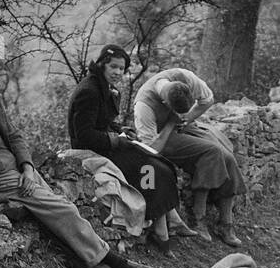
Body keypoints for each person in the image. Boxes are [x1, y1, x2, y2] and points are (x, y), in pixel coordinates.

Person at [0, 52, 154, 268]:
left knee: (56, 208)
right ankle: (116, 263)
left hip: (16, 169)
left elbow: (13, 135)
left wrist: (26, 165)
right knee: (62, 209)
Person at [66, 43, 198, 256]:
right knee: (152, 169)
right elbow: (84, 135)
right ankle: (162, 231)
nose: (118, 72)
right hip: (91, 151)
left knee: (159, 164)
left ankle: (167, 222)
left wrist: (121, 130)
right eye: (114, 67)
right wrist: (116, 141)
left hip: (106, 144)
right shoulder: (89, 91)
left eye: (121, 68)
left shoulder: (102, 87)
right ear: (101, 65)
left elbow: (104, 122)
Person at [133, 67, 242, 247]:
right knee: (212, 152)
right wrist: (170, 125)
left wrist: (187, 118)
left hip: (181, 126)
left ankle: (226, 223)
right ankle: (198, 217)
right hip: (162, 137)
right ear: (165, 102)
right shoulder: (144, 106)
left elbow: (208, 99)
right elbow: (149, 150)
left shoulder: (184, 77)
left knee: (228, 157)